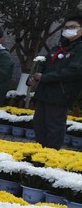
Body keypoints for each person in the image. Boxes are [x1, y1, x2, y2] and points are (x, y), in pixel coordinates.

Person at [28, 15, 82, 149]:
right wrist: (33, 77)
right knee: (39, 124)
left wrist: (45, 77)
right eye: (66, 27)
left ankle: (49, 157)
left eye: (73, 27)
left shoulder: (79, 49)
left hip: (61, 94)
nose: (69, 30)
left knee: (54, 127)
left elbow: (74, 71)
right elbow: (44, 64)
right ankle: (39, 153)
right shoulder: (58, 47)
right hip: (44, 93)